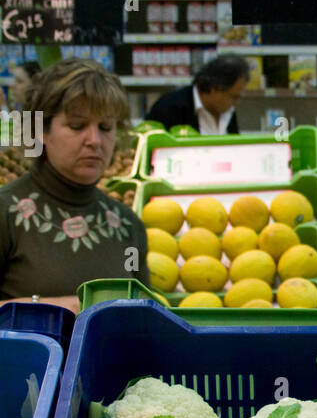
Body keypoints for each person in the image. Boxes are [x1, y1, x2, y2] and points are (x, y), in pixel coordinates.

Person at [0, 58, 149, 312]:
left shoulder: (127, 226)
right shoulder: (6, 214)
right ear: (40, 131)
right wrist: (58, 308)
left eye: (105, 127)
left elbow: (144, 317)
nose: (94, 140)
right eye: (77, 126)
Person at [145, 53, 249, 135]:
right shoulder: (169, 108)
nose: (236, 103)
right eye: (234, 97)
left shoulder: (227, 111)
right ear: (214, 88)